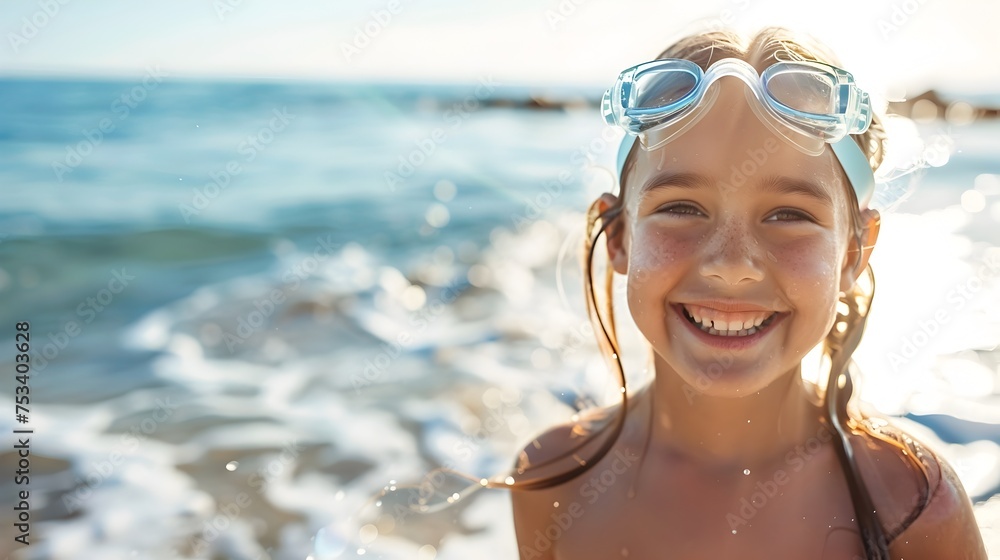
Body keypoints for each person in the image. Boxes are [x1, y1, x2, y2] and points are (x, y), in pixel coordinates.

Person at [508, 26, 989, 559]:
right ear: (618, 235)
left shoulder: (912, 507)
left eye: (790, 215)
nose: (732, 266)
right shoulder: (553, 481)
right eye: (681, 208)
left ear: (855, 251)